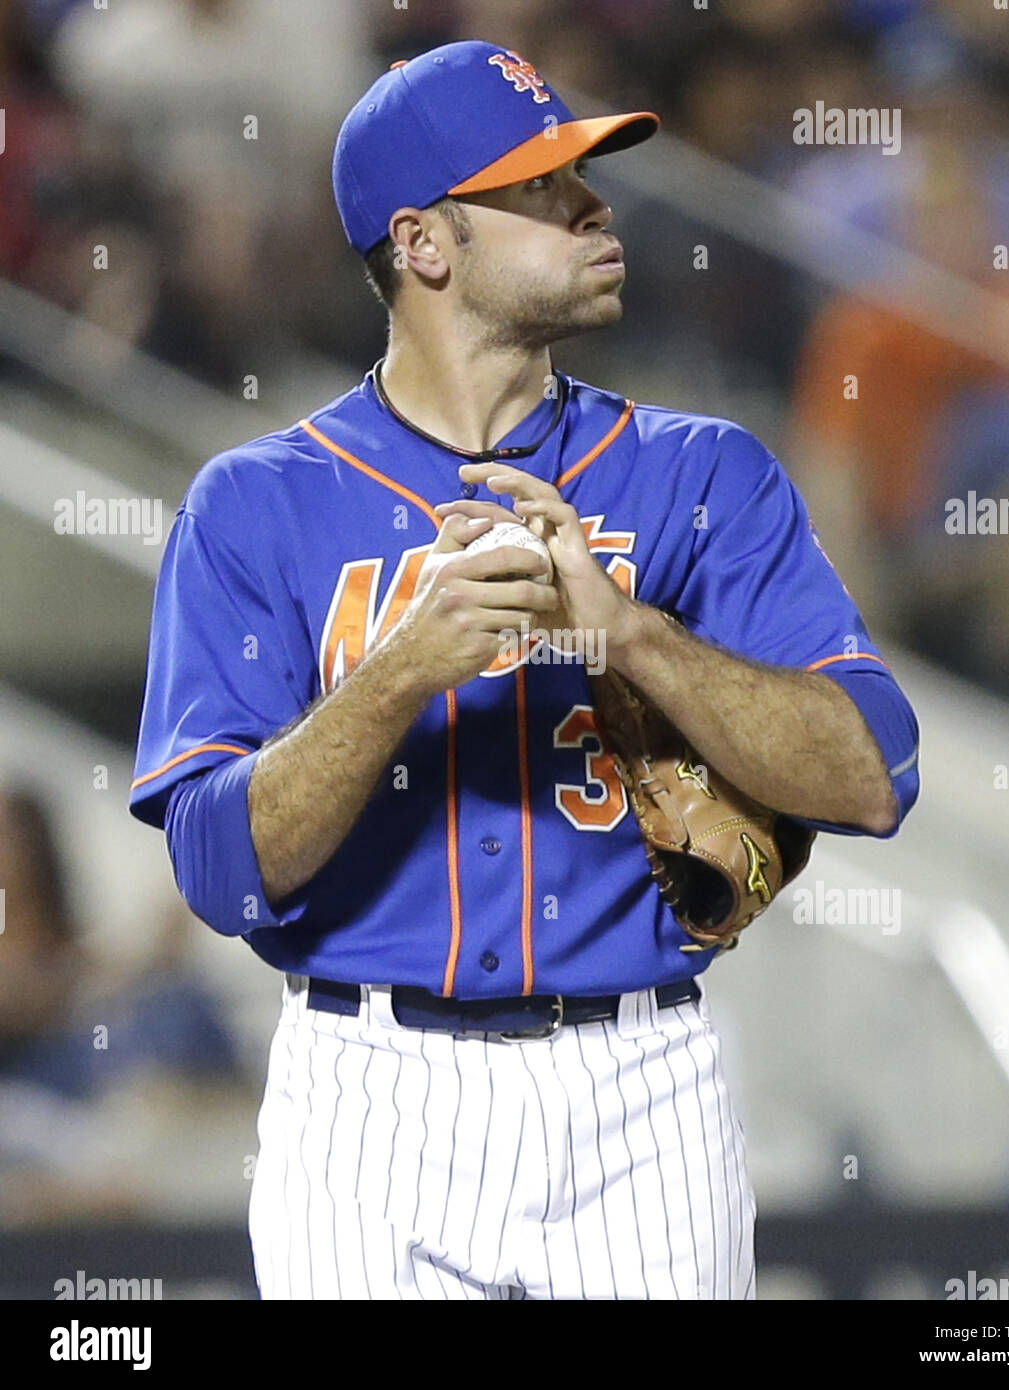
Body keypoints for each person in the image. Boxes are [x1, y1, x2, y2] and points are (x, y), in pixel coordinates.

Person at [129, 40, 919, 1300]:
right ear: (427, 246)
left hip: (638, 1087)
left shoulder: (701, 476)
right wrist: (398, 674)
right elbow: (219, 872)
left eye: (583, 173)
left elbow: (873, 777)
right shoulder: (255, 504)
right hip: (365, 1092)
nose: (594, 205)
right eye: (542, 185)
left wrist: (635, 636)